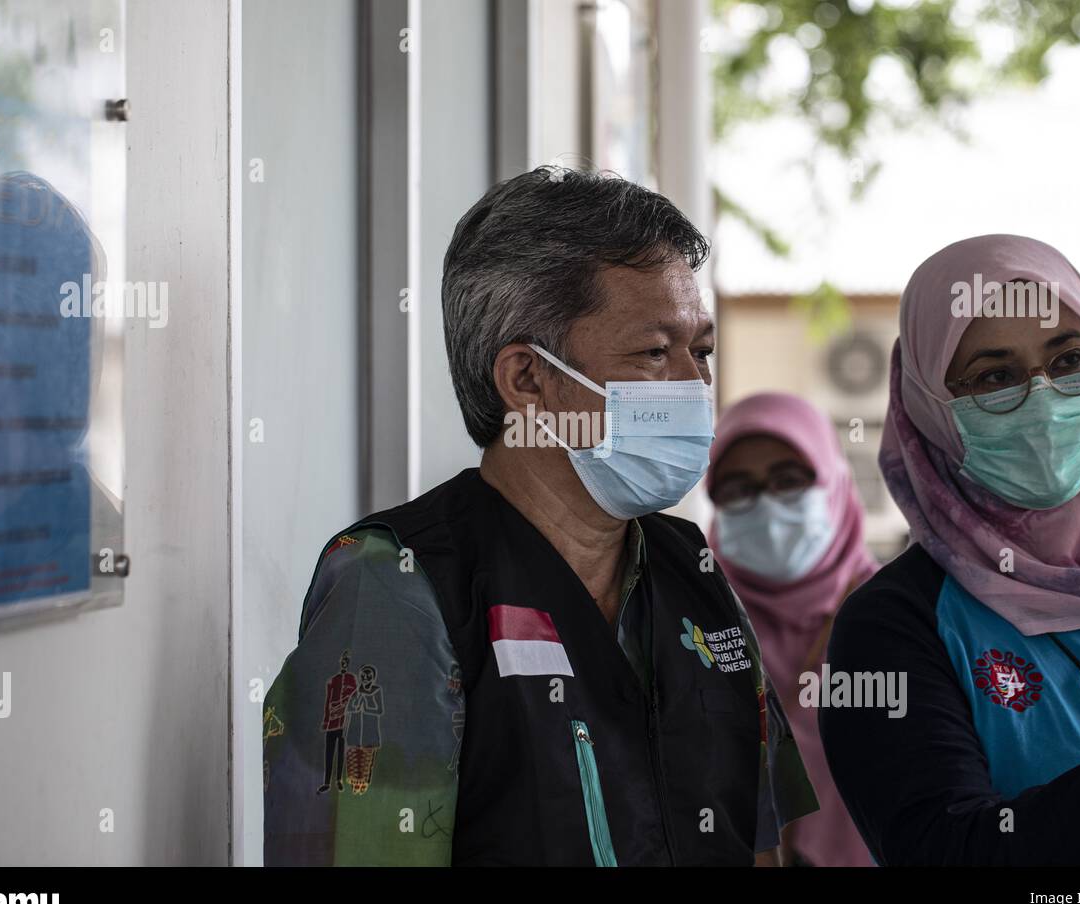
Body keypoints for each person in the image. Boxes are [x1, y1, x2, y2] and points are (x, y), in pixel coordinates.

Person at [263, 167, 818, 866]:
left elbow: (759, 842)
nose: (696, 385)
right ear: (527, 380)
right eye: (654, 352)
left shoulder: (691, 567)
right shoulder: (397, 582)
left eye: (700, 350)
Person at [821, 234, 1080, 865]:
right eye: (994, 377)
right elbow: (943, 851)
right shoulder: (892, 627)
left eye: (1069, 360)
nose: (1044, 399)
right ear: (929, 405)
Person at [707, 392, 877, 866]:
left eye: (789, 480)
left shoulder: (899, 615)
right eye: (738, 488)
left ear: (834, 482)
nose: (766, 507)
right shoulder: (692, 624)